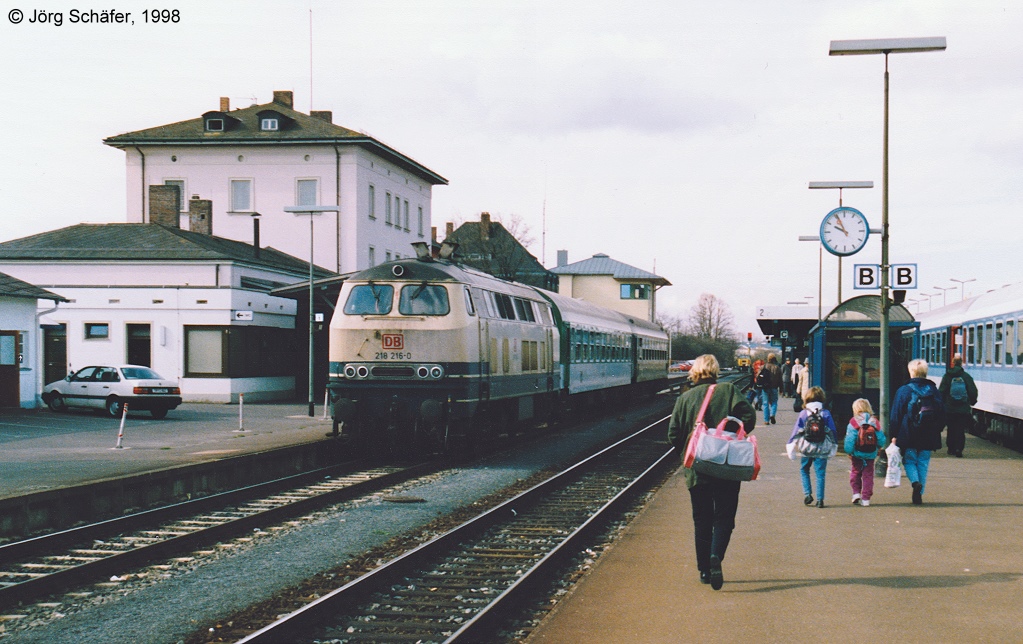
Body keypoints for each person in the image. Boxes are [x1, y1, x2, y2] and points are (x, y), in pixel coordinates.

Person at [667, 354, 756, 591]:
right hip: (727, 465)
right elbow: (749, 418)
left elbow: (673, 434)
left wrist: (689, 451)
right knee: (725, 517)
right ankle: (716, 555)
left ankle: (704, 569)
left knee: (702, 519)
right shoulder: (728, 390)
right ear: (715, 371)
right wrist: (730, 433)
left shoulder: (685, 398)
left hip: (698, 469)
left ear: (694, 372)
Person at [890, 359, 946, 505]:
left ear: (911, 372)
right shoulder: (933, 391)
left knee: (909, 460)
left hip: (908, 432)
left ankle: (915, 483)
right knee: (923, 462)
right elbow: (942, 413)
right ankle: (919, 494)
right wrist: (937, 429)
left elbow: (896, 414)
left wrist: (894, 434)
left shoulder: (904, 390)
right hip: (929, 433)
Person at [787, 386, 838, 508]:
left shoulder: (804, 413)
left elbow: (796, 431)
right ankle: (820, 500)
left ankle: (808, 494)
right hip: (822, 448)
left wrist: (791, 445)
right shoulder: (825, 413)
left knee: (804, 470)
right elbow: (832, 431)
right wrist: (834, 446)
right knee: (820, 474)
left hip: (806, 448)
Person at [843, 398, 887, 506]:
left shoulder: (853, 422)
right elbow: (881, 439)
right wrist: (878, 448)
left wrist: (849, 451)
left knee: (855, 473)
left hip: (857, 454)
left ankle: (856, 493)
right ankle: (866, 499)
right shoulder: (874, 422)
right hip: (870, 454)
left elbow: (850, 440)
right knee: (868, 475)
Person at [938, 354, 978, 457]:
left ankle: (950, 448)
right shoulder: (966, 377)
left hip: (949, 408)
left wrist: (942, 404)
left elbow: (941, 391)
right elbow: (973, 391)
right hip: (963, 409)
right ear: (961, 364)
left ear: (953, 363)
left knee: (951, 429)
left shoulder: (947, 376)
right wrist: (972, 402)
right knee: (960, 430)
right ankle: (958, 449)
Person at [759, 354, 782, 424]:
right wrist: (781, 389)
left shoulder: (763, 367)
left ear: (768, 359)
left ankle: (766, 420)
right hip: (774, 388)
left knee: (765, 404)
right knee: (774, 402)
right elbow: (780, 379)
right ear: (774, 359)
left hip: (765, 388)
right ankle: (772, 414)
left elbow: (758, 377)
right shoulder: (777, 368)